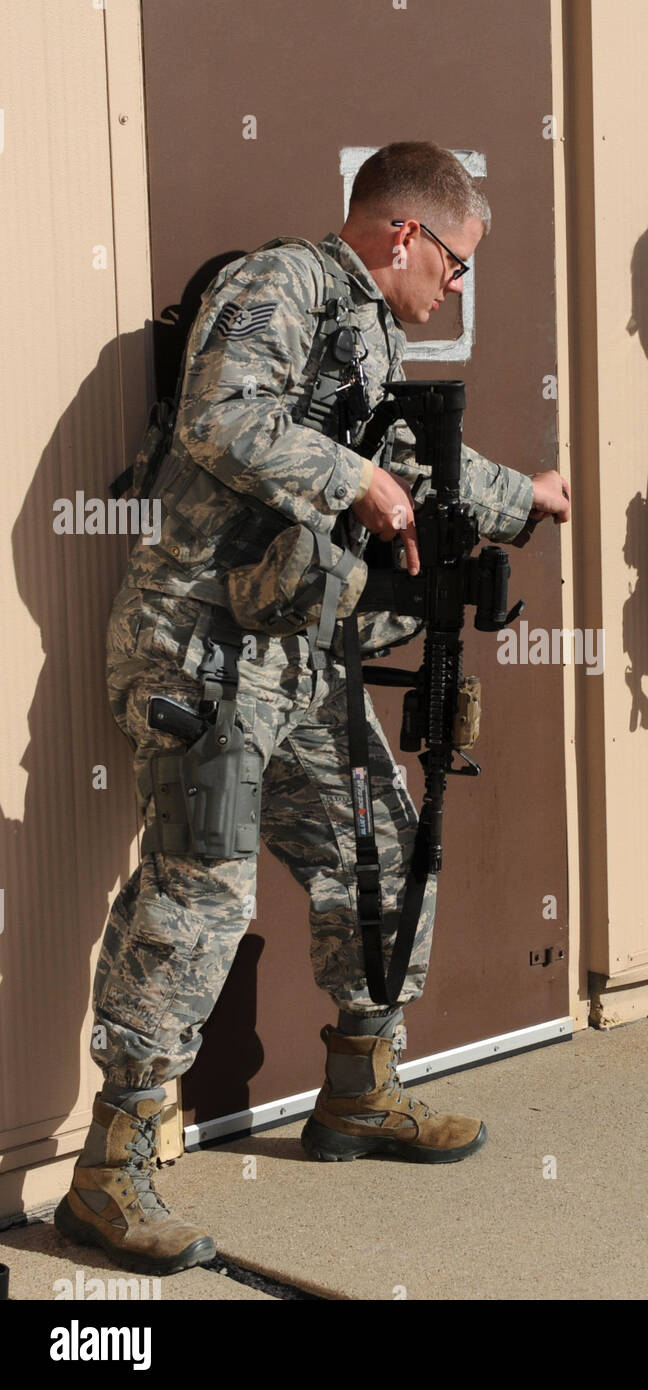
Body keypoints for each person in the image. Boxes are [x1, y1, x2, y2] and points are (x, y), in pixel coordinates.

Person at [54, 142, 571, 1274]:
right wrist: (357, 484)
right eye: (456, 259)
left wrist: (517, 499)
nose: (458, 284)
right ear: (401, 235)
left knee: (380, 846)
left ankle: (358, 1090)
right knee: (199, 888)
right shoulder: (279, 285)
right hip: (200, 652)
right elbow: (218, 420)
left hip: (294, 655)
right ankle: (111, 1168)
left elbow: (404, 463)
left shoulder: (370, 330)